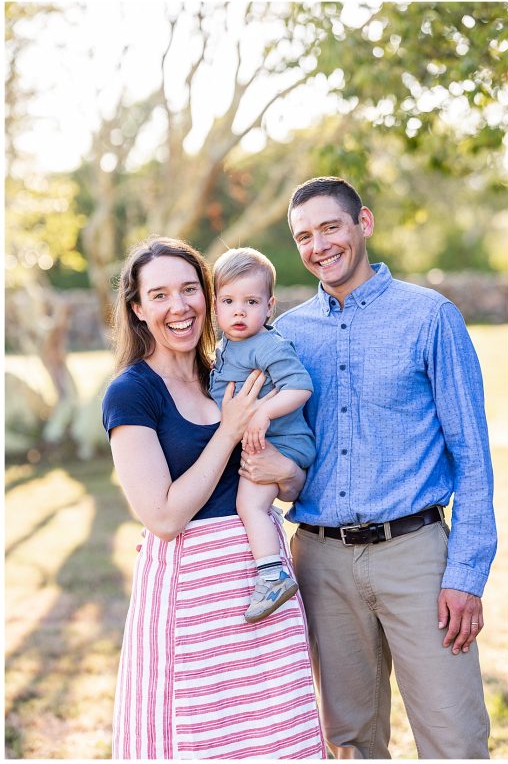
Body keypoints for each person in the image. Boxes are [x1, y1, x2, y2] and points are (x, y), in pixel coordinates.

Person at [242, 176, 497, 759]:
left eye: (331, 227)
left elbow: (473, 456)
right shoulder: (286, 336)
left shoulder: (430, 317)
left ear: (365, 224)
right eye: (303, 236)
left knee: (454, 738)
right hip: (321, 561)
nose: (318, 245)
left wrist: (466, 574)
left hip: (418, 558)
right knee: (349, 742)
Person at [101, 237, 325, 759]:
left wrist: (286, 471)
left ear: (209, 295)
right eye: (158, 295)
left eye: (188, 290)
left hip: (265, 585)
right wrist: (227, 432)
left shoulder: (225, 370)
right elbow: (163, 517)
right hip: (191, 598)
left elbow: (285, 484)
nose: (178, 307)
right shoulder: (131, 393)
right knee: (203, 739)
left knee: (278, 737)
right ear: (137, 309)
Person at [209, 247, 316, 623]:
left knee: (249, 505)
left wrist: (262, 413)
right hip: (262, 443)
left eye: (251, 301)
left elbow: (300, 386)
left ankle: (272, 576)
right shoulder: (226, 346)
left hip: (283, 443)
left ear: (269, 306)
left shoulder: (268, 344)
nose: (239, 311)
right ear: (215, 307)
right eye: (229, 301)